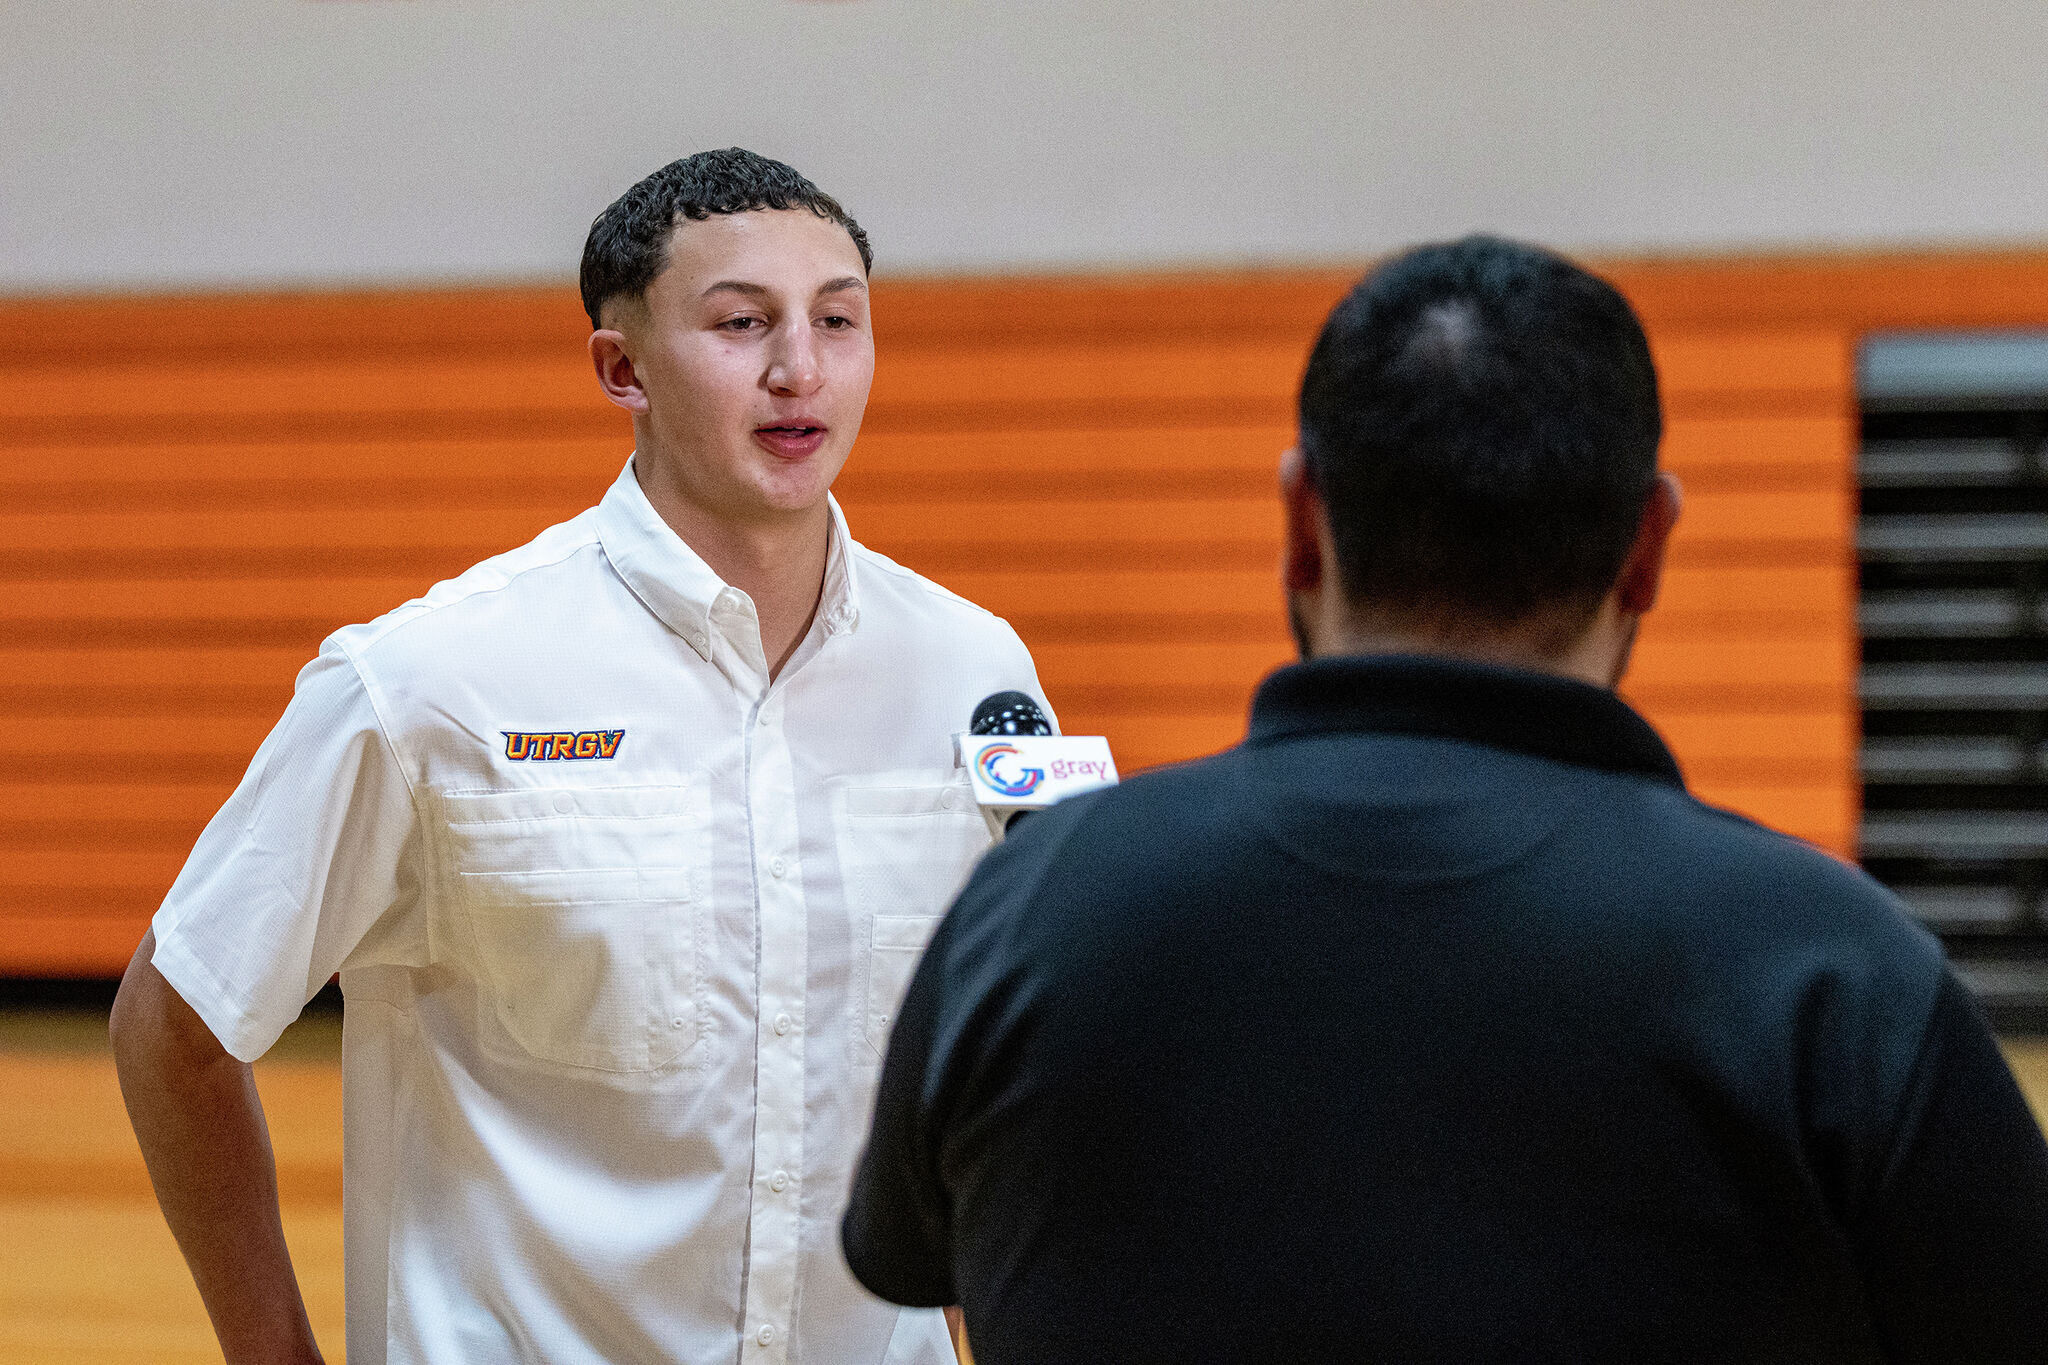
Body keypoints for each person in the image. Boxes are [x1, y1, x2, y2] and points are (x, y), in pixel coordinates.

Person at [841, 236, 2048, 1364]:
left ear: (1300, 524)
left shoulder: (1034, 910)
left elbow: (908, 1255)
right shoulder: (1826, 972)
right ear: (1648, 548)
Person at [110, 147, 1039, 1365]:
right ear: (622, 367)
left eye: (837, 320)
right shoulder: (421, 682)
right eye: (741, 322)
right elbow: (173, 1019)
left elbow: (1003, 1064)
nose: (798, 368)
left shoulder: (978, 674)